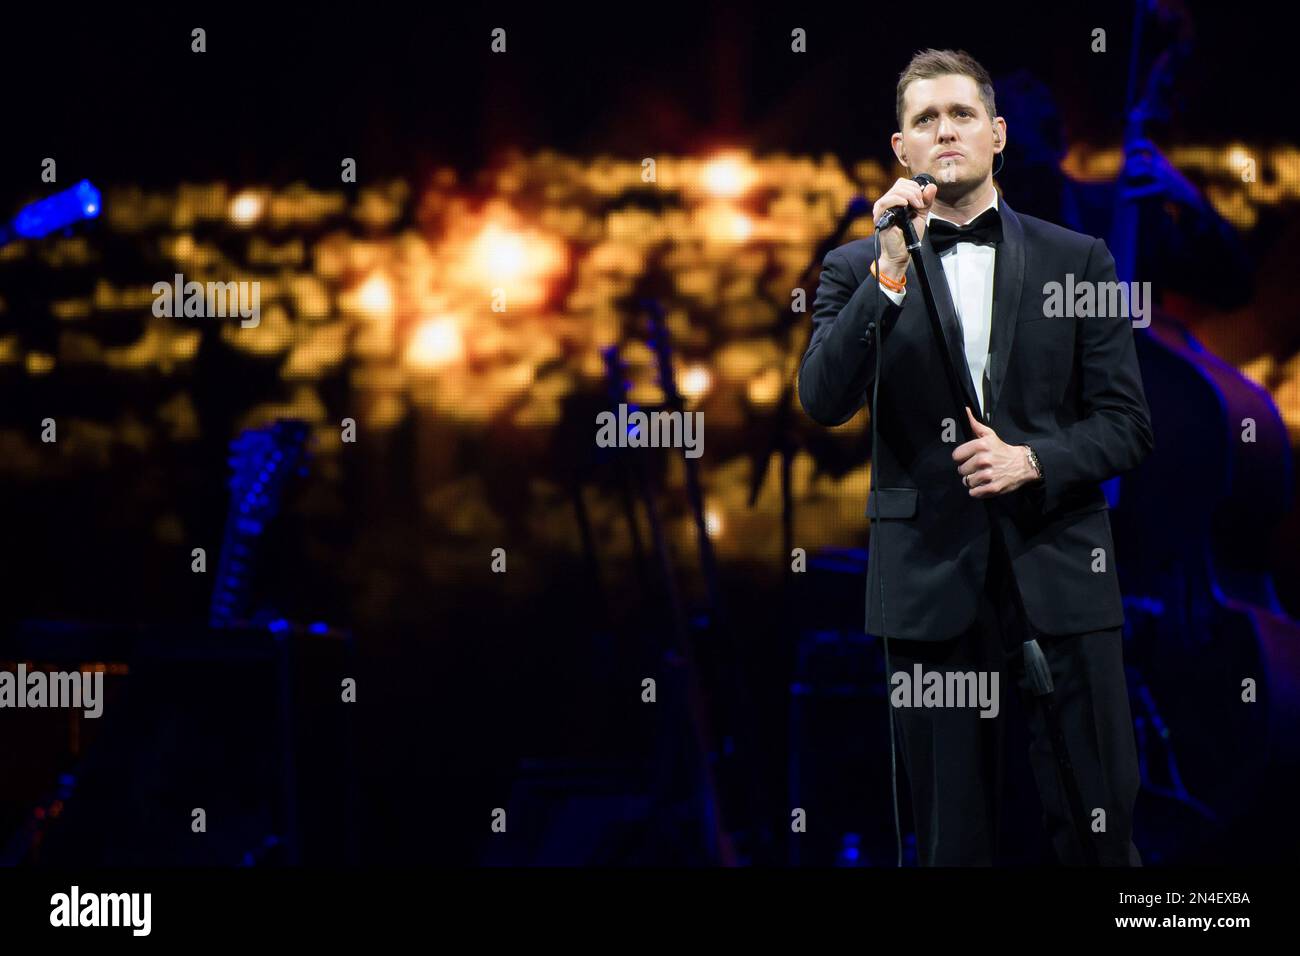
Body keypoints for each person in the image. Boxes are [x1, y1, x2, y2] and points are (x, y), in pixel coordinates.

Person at [798, 49, 1154, 865]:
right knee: (951, 845)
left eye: (961, 114)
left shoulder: (1080, 259)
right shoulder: (854, 268)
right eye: (925, 120)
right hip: (929, 586)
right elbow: (822, 400)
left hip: (1062, 575)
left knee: (1100, 831)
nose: (945, 130)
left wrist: (1031, 460)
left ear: (997, 136)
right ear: (901, 150)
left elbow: (1128, 425)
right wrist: (887, 274)